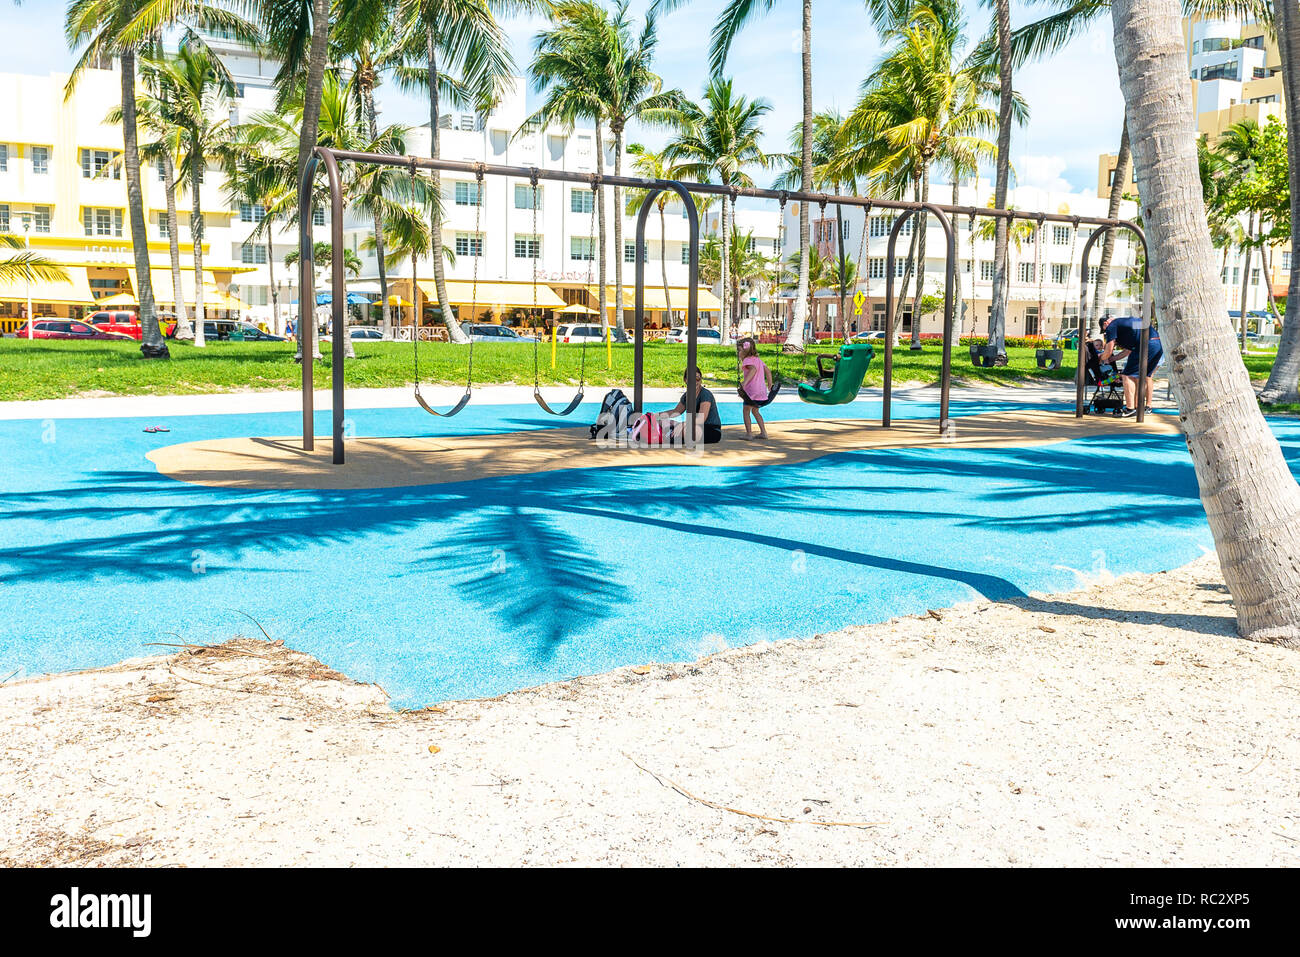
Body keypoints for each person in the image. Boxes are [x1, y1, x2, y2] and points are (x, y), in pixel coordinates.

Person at [1098, 314, 1162, 417]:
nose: (1106, 333)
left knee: (1127, 375)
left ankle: (1130, 408)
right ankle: (1140, 407)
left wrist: (1101, 358)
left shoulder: (1112, 325)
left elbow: (1108, 351)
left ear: (1106, 323)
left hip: (1145, 346)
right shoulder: (1127, 322)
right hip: (1157, 344)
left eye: (1104, 330)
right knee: (1144, 377)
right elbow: (1127, 352)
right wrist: (1111, 359)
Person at [655, 366, 722, 445]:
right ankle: (672, 434)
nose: (695, 382)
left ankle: (671, 435)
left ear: (701, 379)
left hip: (711, 430)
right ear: (685, 380)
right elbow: (676, 411)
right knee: (663, 421)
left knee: (685, 430)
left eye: (697, 379)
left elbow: (701, 419)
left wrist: (682, 425)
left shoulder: (705, 394)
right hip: (694, 426)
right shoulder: (687, 395)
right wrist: (655, 416)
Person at [736, 337, 772, 440]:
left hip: (751, 391)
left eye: (739, 350)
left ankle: (749, 434)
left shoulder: (747, 360)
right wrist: (769, 385)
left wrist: (744, 383)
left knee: (746, 410)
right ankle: (763, 432)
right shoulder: (759, 360)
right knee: (755, 411)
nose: (738, 353)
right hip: (761, 391)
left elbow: (753, 370)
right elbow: (768, 372)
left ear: (745, 351)